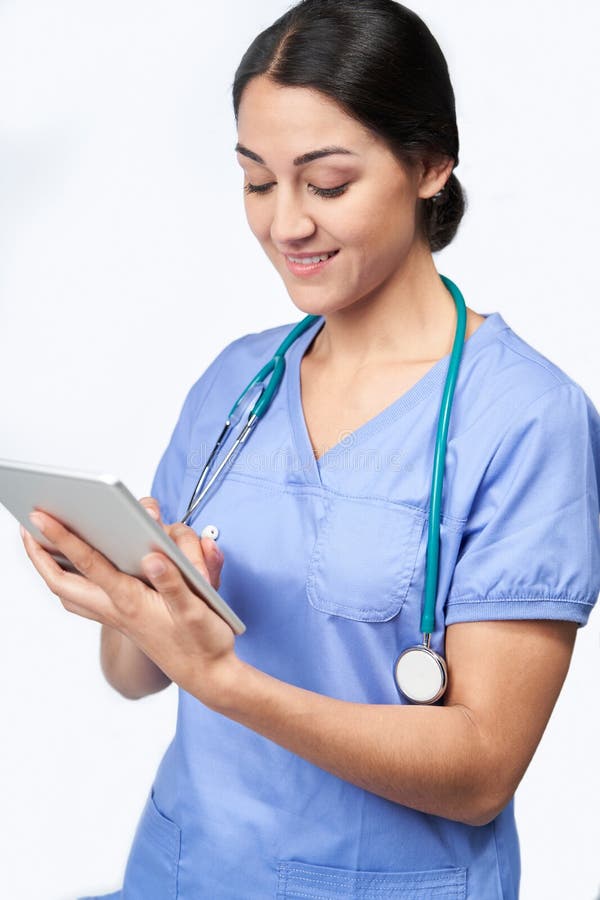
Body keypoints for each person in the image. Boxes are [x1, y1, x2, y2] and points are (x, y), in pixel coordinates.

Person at [19, 1, 600, 898]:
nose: (285, 224)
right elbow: (134, 677)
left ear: (431, 165)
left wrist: (225, 681)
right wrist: (135, 600)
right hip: (183, 873)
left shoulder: (525, 418)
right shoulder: (235, 382)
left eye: (326, 183)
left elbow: (484, 770)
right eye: (258, 182)